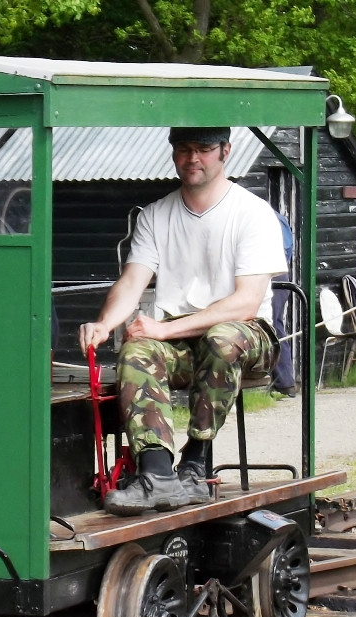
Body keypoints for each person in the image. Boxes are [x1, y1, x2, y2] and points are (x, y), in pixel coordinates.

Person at [78, 126, 287, 516]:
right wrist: (105, 324)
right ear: (173, 153)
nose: (193, 158)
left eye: (203, 149)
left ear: (225, 151)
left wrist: (165, 329)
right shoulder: (155, 215)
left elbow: (246, 302)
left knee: (222, 339)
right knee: (136, 349)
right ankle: (157, 473)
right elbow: (132, 282)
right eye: (184, 149)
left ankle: (196, 462)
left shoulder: (253, 213)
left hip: (248, 337)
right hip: (182, 342)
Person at [270, 211, 296, 397]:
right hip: (278, 273)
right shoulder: (278, 218)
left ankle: (284, 382)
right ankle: (284, 383)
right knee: (275, 325)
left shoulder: (267, 218)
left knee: (271, 326)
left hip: (273, 274)